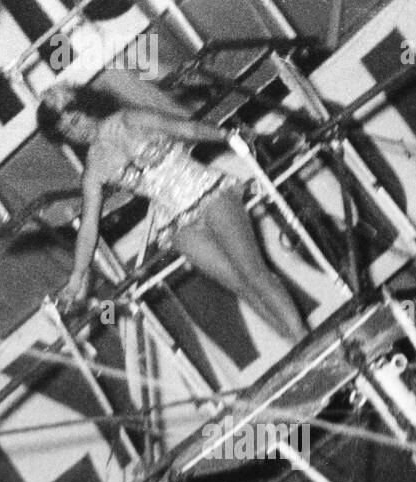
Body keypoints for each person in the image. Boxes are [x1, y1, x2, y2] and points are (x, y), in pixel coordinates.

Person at [37, 83, 306, 343]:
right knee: (238, 284)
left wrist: (230, 136)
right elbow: (88, 227)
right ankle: (297, 343)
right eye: (67, 131)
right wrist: (76, 276)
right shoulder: (94, 169)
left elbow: (186, 128)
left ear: (86, 108)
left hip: (206, 190)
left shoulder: (130, 119)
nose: (77, 131)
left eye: (75, 120)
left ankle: (303, 335)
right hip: (175, 221)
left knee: (253, 272)